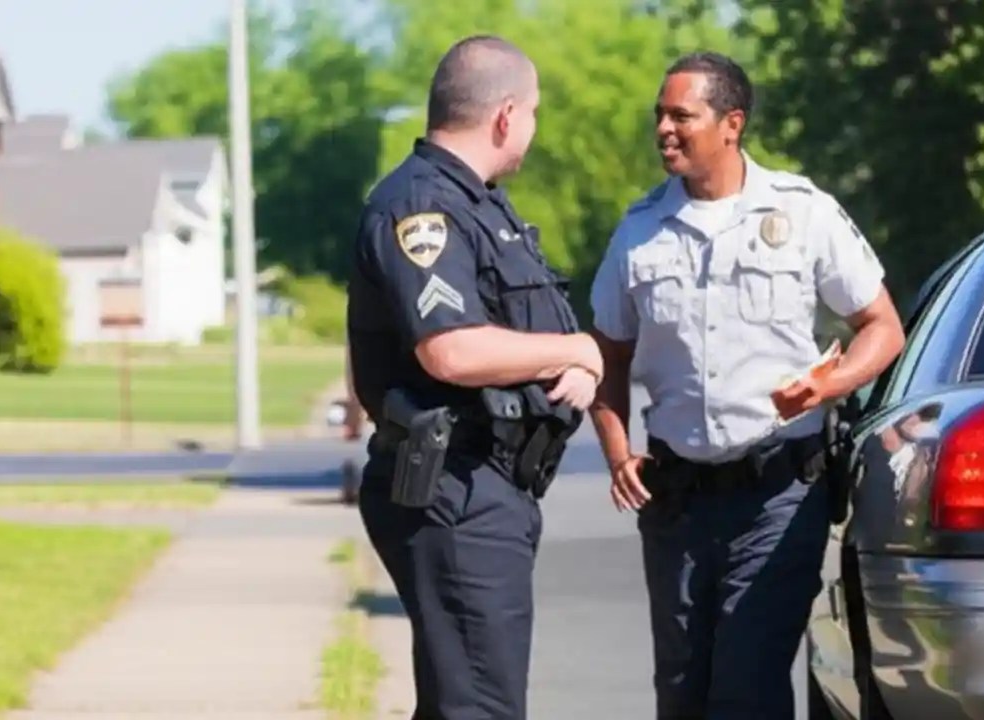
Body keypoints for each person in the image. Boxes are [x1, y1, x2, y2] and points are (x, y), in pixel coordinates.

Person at [588, 51, 906, 719]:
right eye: (660, 116)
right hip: (676, 499)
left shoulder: (802, 213)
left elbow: (882, 326)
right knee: (682, 693)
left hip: (778, 494)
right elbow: (608, 354)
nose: (664, 130)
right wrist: (618, 451)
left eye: (682, 116)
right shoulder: (639, 231)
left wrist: (829, 387)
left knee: (747, 687)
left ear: (731, 124)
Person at [346, 35, 603, 720]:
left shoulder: (482, 207)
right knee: (479, 707)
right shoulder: (421, 208)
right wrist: (573, 347)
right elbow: (450, 351)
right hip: (452, 487)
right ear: (505, 115)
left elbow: (515, 338)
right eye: (535, 113)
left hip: (488, 485)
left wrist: (565, 365)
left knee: (462, 700)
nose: (533, 129)